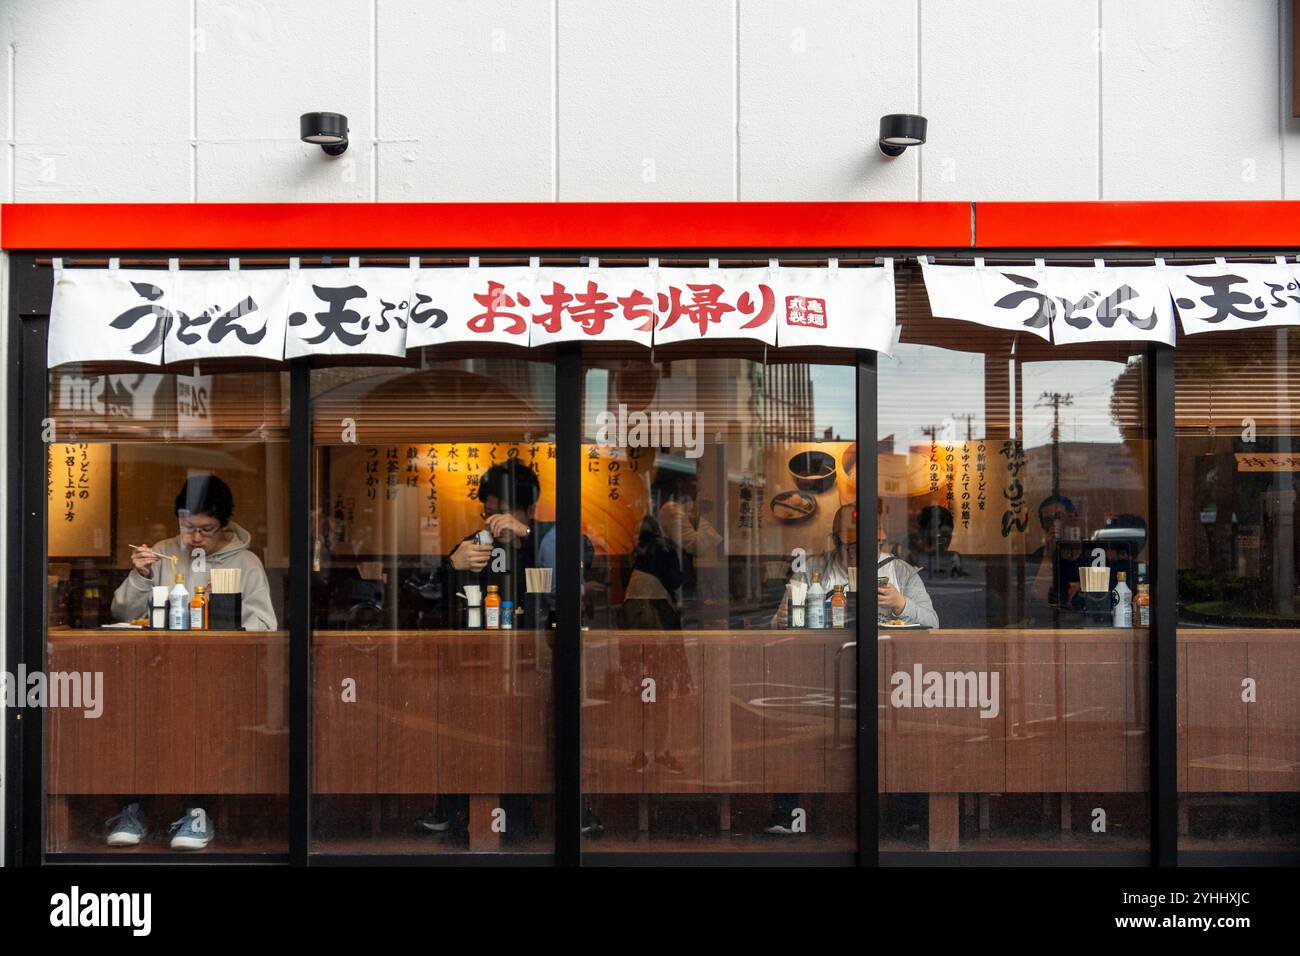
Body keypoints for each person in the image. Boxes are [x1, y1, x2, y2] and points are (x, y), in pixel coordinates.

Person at [106, 474, 277, 851]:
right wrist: (141, 575)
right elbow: (122, 610)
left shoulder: (245, 562)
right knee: (136, 729)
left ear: (225, 525)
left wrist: (224, 607)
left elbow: (266, 625)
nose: (196, 538)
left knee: (205, 733)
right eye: (187, 527)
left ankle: (198, 812)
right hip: (157, 669)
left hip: (219, 677)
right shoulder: (163, 552)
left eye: (206, 529)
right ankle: (131, 810)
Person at [1028, 494, 1083, 613]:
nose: (1055, 524)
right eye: (1048, 520)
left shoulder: (1091, 551)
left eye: (1059, 516)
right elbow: (1036, 599)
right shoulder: (1040, 556)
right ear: (1043, 527)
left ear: (1072, 518)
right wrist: (1048, 555)